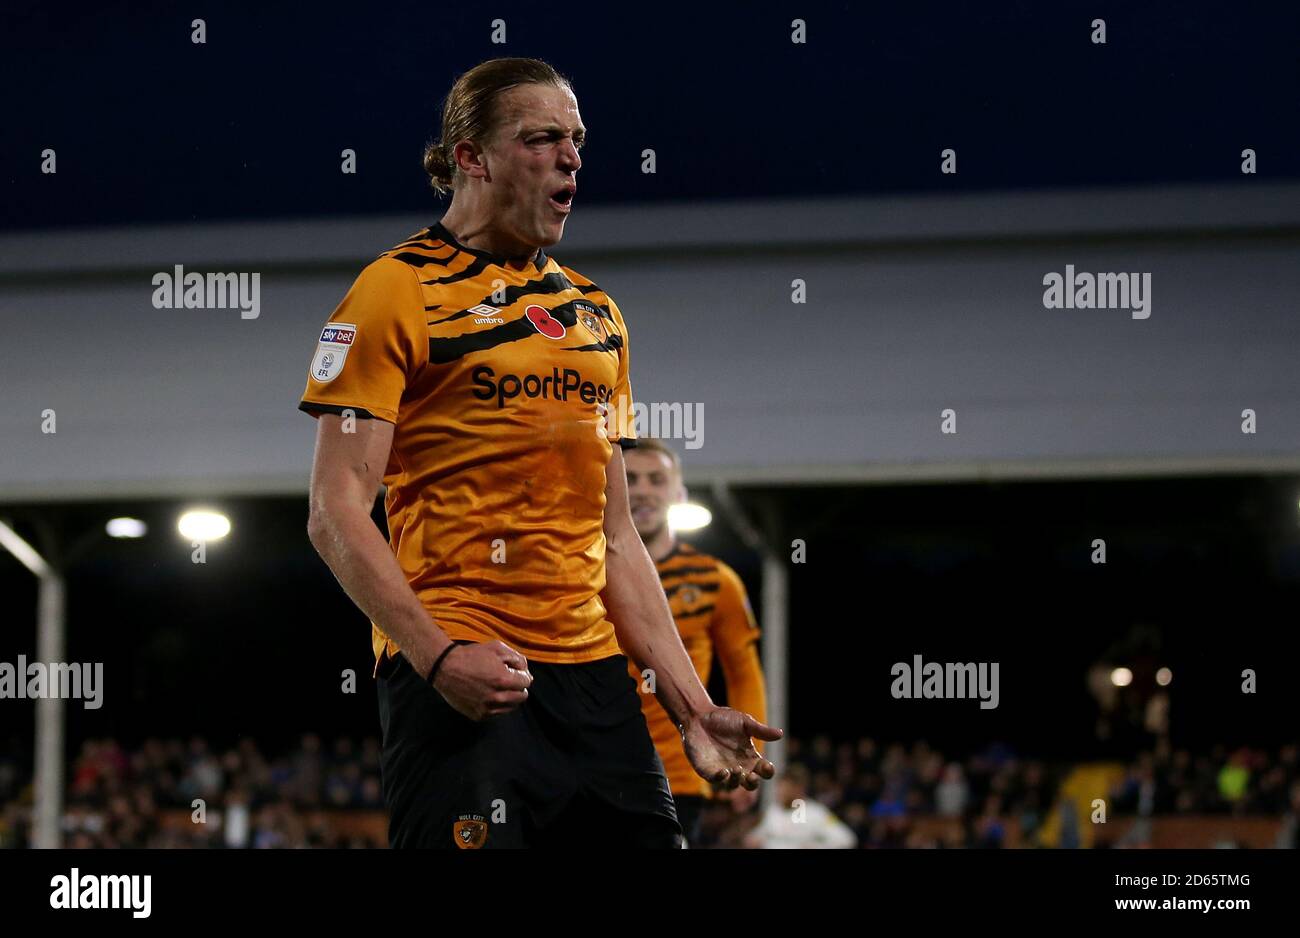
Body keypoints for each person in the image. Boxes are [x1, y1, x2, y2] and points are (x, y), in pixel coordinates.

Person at [299, 57, 780, 849]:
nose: (572, 158)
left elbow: (617, 537)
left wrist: (695, 709)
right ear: (470, 157)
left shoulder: (598, 315)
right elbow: (335, 511)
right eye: (543, 138)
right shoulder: (395, 290)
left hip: (596, 685)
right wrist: (439, 657)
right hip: (465, 671)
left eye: (578, 140)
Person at [623, 438, 767, 845]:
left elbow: (743, 672)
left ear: (678, 494)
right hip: (589, 767)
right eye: (630, 479)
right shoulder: (585, 573)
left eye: (656, 479)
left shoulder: (716, 581)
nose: (644, 490)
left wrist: (749, 755)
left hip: (681, 775)